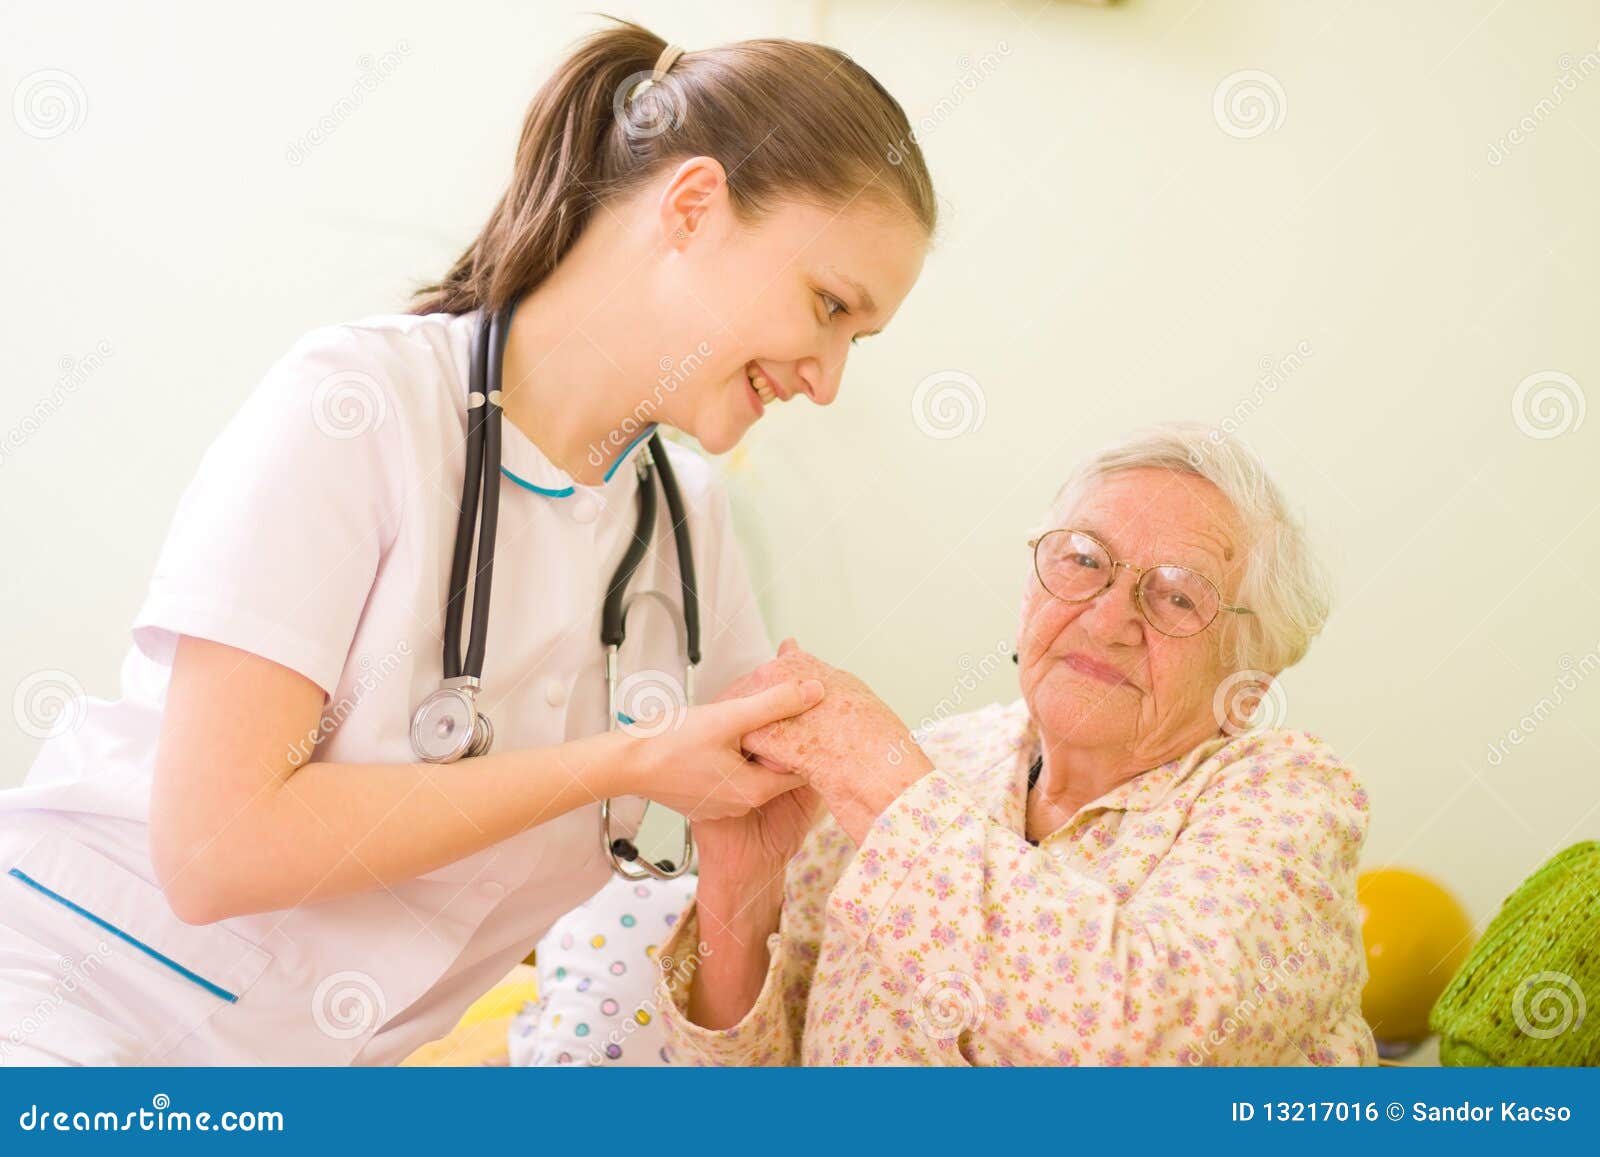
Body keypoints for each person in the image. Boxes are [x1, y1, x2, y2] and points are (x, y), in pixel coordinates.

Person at [0, 18, 933, 1066]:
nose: (827, 379)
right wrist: (623, 760)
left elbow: (721, 1000)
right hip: (69, 1003)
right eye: (828, 305)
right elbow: (215, 850)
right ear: (693, 206)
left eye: (857, 339)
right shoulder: (359, 404)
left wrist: (742, 879)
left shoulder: (689, 526)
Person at [655, 423, 1380, 1066]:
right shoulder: (937, 760)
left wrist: (872, 772)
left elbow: (1146, 1046)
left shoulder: (1289, 795)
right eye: (1084, 560)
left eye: (1179, 596)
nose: (1106, 620)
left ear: (1250, 683)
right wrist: (739, 892)